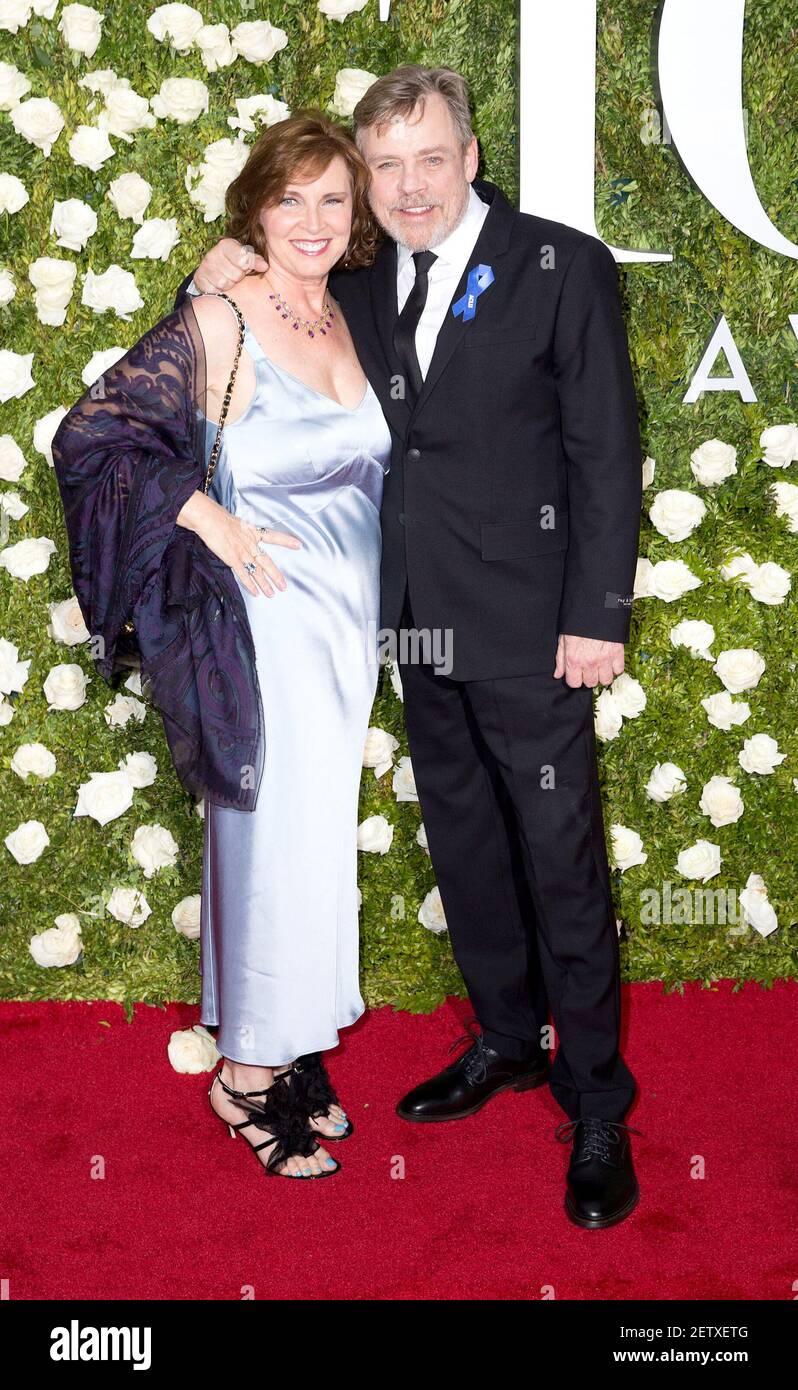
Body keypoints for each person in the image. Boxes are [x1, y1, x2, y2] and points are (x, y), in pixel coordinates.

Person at [176, 64, 644, 1228]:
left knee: (562, 864)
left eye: (428, 159)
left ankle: (595, 1102)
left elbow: (602, 447)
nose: (407, 185)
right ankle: (502, 1041)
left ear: (471, 157)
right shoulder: (367, 282)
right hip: (413, 629)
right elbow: (265, 312)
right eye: (384, 168)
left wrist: (597, 615)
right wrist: (212, 265)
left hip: (537, 634)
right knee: (467, 847)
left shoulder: (558, 266)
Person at [53, 110, 393, 1181]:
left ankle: (287, 1045)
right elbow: (93, 433)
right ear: (254, 206)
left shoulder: (350, 316)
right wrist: (213, 517)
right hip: (266, 622)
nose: (311, 219)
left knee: (313, 845)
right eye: (289, 198)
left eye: (332, 199)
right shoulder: (221, 318)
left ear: (359, 218)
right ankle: (242, 1074)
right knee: (267, 843)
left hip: (351, 630)